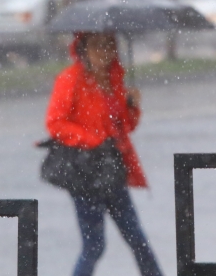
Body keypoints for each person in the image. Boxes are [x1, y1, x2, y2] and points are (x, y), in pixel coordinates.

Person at [46, 32, 163, 276]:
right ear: (83, 49)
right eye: (97, 46)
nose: (104, 52)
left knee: (137, 238)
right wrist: (93, 140)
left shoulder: (114, 80)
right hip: (85, 171)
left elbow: (124, 127)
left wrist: (132, 106)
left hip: (112, 169)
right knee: (94, 245)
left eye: (110, 46)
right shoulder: (70, 79)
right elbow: (56, 123)